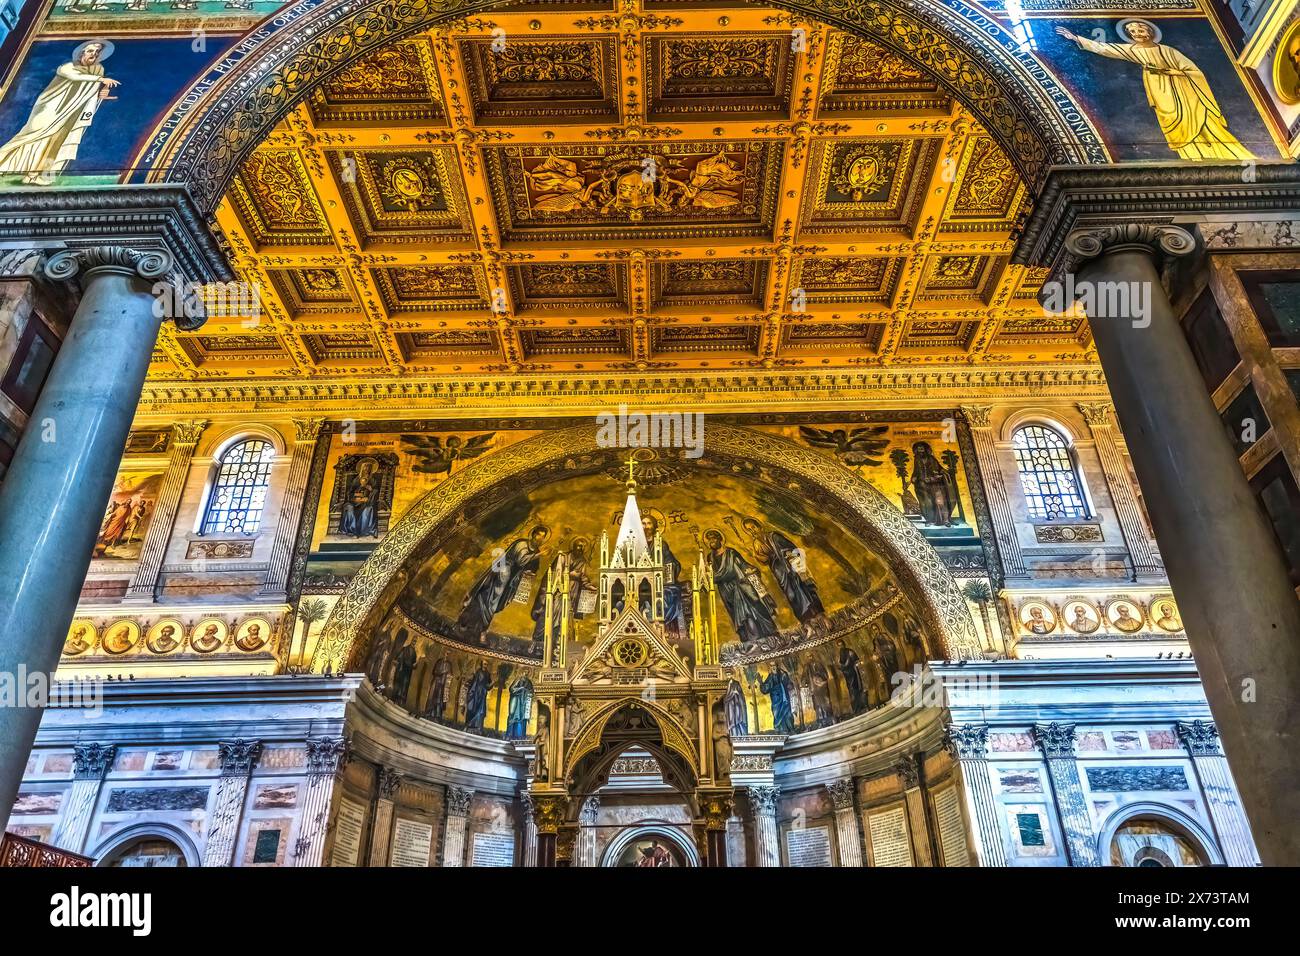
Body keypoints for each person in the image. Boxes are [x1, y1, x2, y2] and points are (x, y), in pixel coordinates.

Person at [1055, 20, 1253, 160]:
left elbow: (1194, 71)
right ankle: (1194, 156)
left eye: (1140, 30)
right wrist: (1076, 38)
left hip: (1186, 91)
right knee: (1172, 123)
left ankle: (1222, 153)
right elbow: (1107, 49)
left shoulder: (1167, 50)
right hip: (1160, 93)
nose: (1137, 34)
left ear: (1149, 30)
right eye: (1133, 33)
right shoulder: (1133, 51)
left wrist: (1171, 72)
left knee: (1202, 122)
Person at [0, 40, 120, 186]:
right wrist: (100, 79)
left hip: (70, 112)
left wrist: (100, 95)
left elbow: (88, 92)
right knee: (31, 135)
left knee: (56, 142)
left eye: (96, 52)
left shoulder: (98, 70)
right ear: (82, 53)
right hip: (49, 108)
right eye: (90, 51)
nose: (93, 54)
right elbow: (75, 76)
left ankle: (35, 175)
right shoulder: (67, 67)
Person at [458, 525, 549, 639]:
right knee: (488, 602)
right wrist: (539, 555)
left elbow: (532, 569)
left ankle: (480, 629)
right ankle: (470, 626)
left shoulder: (536, 551)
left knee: (496, 605)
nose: (540, 538)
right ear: (533, 534)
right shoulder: (522, 544)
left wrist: (530, 572)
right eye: (538, 535)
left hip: (511, 582)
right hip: (501, 576)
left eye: (543, 537)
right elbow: (520, 561)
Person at [738, 517, 824, 625]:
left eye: (753, 527)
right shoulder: (756, 544)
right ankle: (806, 619)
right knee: (791, 594)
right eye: (749, 530)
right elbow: (764, 561)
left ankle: (818, 614)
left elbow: (791, 548)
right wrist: (755, 555)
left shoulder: (774, 536)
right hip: (779, 571)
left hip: (791, 567)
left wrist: (787, 556)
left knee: (803, 588)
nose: (752, 531)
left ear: (759, 526)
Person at [703, 528, 779, 646]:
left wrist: (751, 569)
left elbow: (741, 565)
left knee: (753, 609)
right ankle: (751, 641)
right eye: (709, 541)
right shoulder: (710, 558)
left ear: (720, 540)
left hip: (741, 587)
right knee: (739, 616)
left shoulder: (731, 553)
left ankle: (768, 634)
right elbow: (711, 575)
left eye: (713, 539)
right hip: (727, 591)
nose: (711, 542)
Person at [910, 442, 956, 527]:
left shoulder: (931, 459)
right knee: (927, 503)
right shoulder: (917, 460)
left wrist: (943, 473)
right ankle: (929, 520)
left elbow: (939, 469)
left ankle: (946, 520)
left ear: (926, 450)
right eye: (919, 449)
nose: (920, 451)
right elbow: (916, 471)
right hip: (923, 485)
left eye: (922, 449)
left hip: (935, 484)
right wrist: (913, 477)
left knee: (940, 502)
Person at [760, 664, 795, 734]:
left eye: (774, 665)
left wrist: (785, 676)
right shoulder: (770, 677)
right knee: (777, 714)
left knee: (787, 713)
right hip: (776, 699)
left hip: (784, 697)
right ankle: (781, 730)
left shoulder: (782, 674)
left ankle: (791, 729)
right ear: (770, 668)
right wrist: (761, 683)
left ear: (777, 666)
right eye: (771, 666)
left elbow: (788, 682)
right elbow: (765, 689)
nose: (773, 667)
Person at [838, 639, 867, 711]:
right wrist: (842, 667)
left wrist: (854, 664)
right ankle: (856, 707)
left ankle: (861, 705)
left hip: (853, 673)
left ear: (844, 644)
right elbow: (841, 664)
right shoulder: (841, 653)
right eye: (839, 645)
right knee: (851, 690)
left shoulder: (849, 651)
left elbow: (856, 660)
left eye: (841, 644)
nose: (841, 646)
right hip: (847, 674)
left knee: (856, 688)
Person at [464, 659, 492, 731]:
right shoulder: (478, 672)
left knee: (481, 711)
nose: (485, 665)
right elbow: (474, 682)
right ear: (481, 664)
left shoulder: (488, 674)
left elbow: (488, 686)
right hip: (476, 692)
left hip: (482, 694)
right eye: (484, 664)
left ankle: (478, 727)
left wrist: (492, 684)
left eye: (486, 664)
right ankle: (469, 725)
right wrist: (471, 691)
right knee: (472, 708)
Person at [506, 674, 532, 739]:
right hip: (516, 700)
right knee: (513, 717)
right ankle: (509, 735)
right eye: (524, 672)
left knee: (522, 719)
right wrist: (520, 689)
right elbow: (512, 689)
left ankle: (519, 736)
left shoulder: (528, 682)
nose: (525, 674)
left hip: (523, 703)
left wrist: (527, 692)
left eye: (527, 672)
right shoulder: (518, 679)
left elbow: (531, 693)